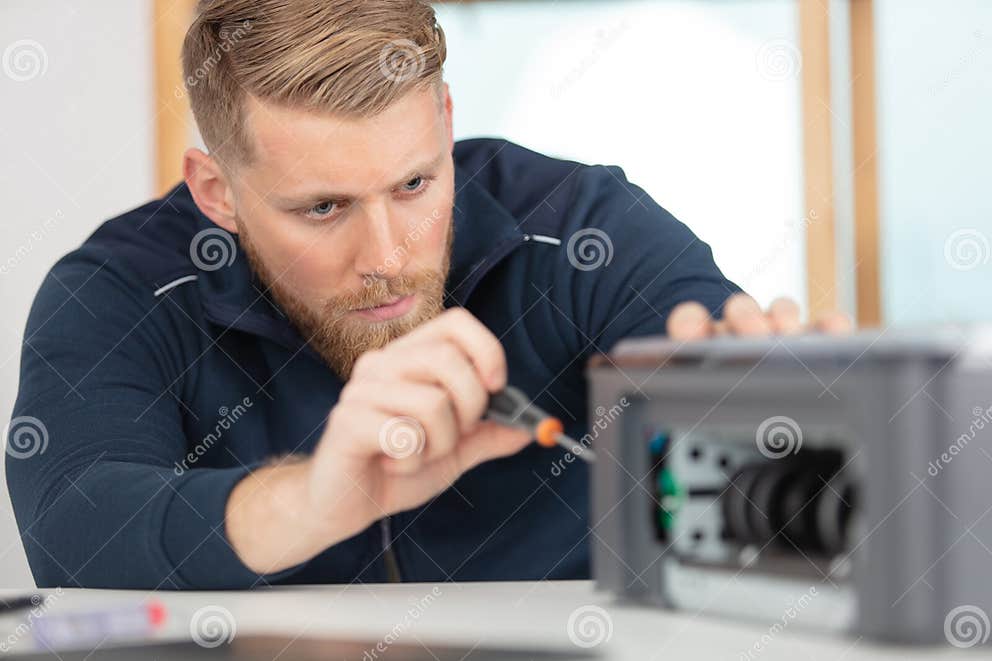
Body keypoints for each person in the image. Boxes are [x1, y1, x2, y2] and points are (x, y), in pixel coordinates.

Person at [5, 0, 850, 589]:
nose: (388, 256)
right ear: (217, 190)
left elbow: (748, 417)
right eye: (323, 207)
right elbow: (74, 524)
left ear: (446, 120)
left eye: (414, 183)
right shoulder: (123, 289)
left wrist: (787, 417)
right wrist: (312, 499)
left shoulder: (583, 229)